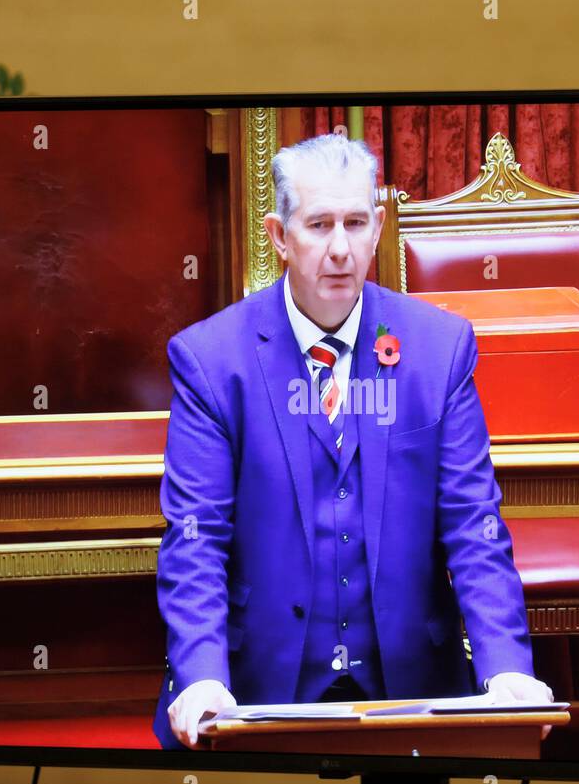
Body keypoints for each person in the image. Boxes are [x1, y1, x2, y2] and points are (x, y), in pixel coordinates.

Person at [153, 132, 552, 750]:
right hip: (257, 688)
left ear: (378, 228)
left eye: (355, 223)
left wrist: (507, 669)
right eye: (318, 225)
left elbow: (474, 524)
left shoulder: (439, 349)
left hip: (412, 687)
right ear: (279, 237)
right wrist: (204, 678)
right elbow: (196, 537)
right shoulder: (212, 359)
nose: (339, 249)